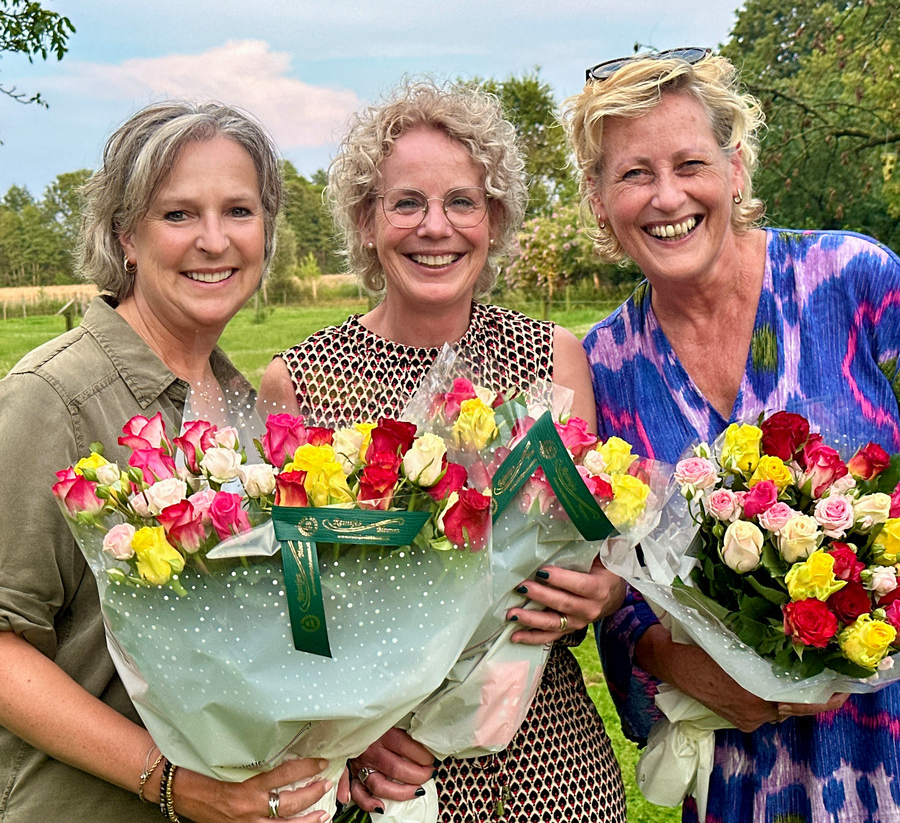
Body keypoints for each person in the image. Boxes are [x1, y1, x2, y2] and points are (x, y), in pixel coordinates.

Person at [259, 79, 627, 822]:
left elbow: (595, 554)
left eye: (462, 201)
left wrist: (604, 593)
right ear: (366, 221)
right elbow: (284, 609)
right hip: (387, 773)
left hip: (550, 762)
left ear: (494, 219)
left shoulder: (552, 357)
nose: (436, 227)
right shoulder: (299, 380)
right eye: (406, 203)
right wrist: (352, 733)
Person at [564, 48, 900, 821]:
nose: (667, 197)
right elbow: (613, 580)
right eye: (634, 174)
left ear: (736, 166)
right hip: (743, 768)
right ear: (600, 200)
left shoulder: (855, 281)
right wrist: (678, 663)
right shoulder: (604, 365)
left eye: (690, 163)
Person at [0, 101, 334, 822]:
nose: (214, 241)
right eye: (178, 214)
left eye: (239, 211)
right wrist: (176, 785)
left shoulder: (249, 415)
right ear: (125, 234)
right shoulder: (52, 398)